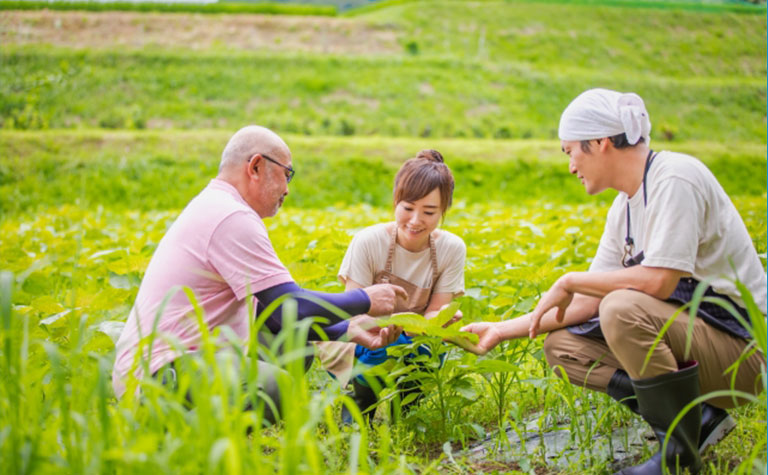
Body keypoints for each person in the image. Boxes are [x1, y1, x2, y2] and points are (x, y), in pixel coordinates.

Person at [460, 89, 766, 474]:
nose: (570, 166)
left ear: (601, 142)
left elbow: (659, 281)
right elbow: (586, 304)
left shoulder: (676, 177)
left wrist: (570, 280)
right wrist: (501, 330)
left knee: (620, 308)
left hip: (745, 353)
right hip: (701, 342)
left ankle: (678, 456)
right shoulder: (624, 208)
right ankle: (698, 418)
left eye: (570, 151)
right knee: (563, 348)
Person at [112, 125, 408, 423]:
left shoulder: (218, 205)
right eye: (286, 174)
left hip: (171, 361)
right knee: (275, 386)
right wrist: (365, 299)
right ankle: (177, 436)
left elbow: (273, 316)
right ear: (255, 166)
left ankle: (210, 432)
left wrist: (348, 331)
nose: (287, 189)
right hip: (158, 374)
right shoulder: (231, 216)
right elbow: (290, 306)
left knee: (293, 347)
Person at [315, 149, 466, 424]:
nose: (415, 220)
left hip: (413, 335)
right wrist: (399, 324)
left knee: (430, 347)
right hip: (363, 335)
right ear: (395, 201)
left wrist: (442, 320)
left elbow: (435, 312)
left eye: (429, 212)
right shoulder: (369, 241)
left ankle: (406, 413)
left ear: (444, 210)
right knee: (381, 349)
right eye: (407, 208)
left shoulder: (451, 248)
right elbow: (354, 316)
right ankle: (359, 405)